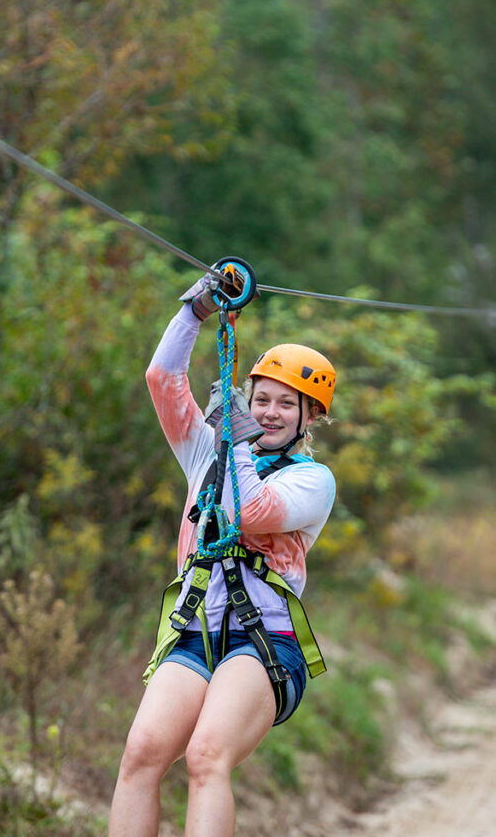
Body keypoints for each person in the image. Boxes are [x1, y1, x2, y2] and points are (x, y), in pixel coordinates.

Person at [108, 267, 337, 837]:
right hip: (196, 631)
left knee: (208, 756)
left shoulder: (313, 481)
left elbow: (249, 512)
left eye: (288, 404)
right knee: (141, 755)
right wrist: (196, 312)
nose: (269, 412)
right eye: (261, 398)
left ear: (311, 418)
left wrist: (230, 435)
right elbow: (163, 378)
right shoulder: (211, 448)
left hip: (265, 643)